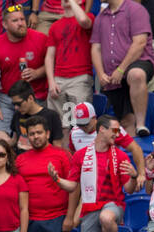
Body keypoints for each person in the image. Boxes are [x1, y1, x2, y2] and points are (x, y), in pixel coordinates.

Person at [71, 112, 136, 232]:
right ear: (102, 130)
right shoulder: (81, 155)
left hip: (112, 204)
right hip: (90, 207)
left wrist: (134, 176)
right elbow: (72, 185)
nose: (117, 134)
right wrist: (57, 180)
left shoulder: (120, 155)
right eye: (114, 130)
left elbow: (129, 189)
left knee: (106, 217)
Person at [15, 114, 74, 232]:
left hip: (56, 218)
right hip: (30, 221)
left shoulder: (62, 155)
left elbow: (74, 188)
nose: (35, 137)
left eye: (39, 133)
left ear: (47, 134)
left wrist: (70, 217)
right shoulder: (20, 159)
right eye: (31, 134)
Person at [89, 0, 154, 137]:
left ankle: (141, 124)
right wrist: (101, 73)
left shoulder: (135, 9)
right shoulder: (101, 17)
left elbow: (140, 43)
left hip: (139, 62)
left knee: (136, 74)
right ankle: (130, 152)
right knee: (125, 121)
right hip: (111, 74)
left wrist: (121, 70)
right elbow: (95, 48)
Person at [0, 6, 49, 139]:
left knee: (36, 136)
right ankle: (9, 151)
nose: (21, 23)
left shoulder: (41, 39)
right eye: (15, 21)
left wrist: (37, 73)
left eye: (22, 19)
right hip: (7, 99)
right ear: (5, 24)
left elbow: (52, 65)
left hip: (36, 96)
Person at [45, 0, 93, 136]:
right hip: (59, 79)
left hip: (80, 77)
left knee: (81, 124)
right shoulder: (55, 26)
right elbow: (49, 56)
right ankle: (65, 156)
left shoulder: (89, 17)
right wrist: (51, 82)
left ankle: (80, 156)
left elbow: (84, 20)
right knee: (62, 126)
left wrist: (72, 2)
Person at [3, 80, 62, 150]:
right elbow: (14, 140)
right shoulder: (17, 115)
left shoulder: (52, 116)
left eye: (18, 104)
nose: (16, 107)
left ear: (30, 98)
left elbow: (57, 146)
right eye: (14, 104)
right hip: (21, 158)